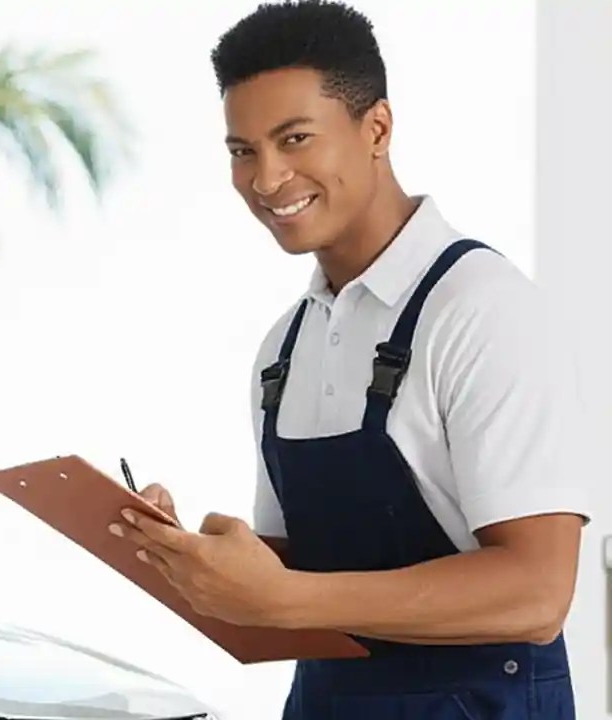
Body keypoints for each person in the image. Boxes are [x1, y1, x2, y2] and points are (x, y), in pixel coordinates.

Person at [106, 1, 588, 718]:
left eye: (294, 139)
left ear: (378, 129)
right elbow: (289, 590)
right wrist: (196, 565)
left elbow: (537, 594)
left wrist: (285, 597)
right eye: (243, 151)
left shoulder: (482, 310)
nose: (266, 178)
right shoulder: (282, 350)